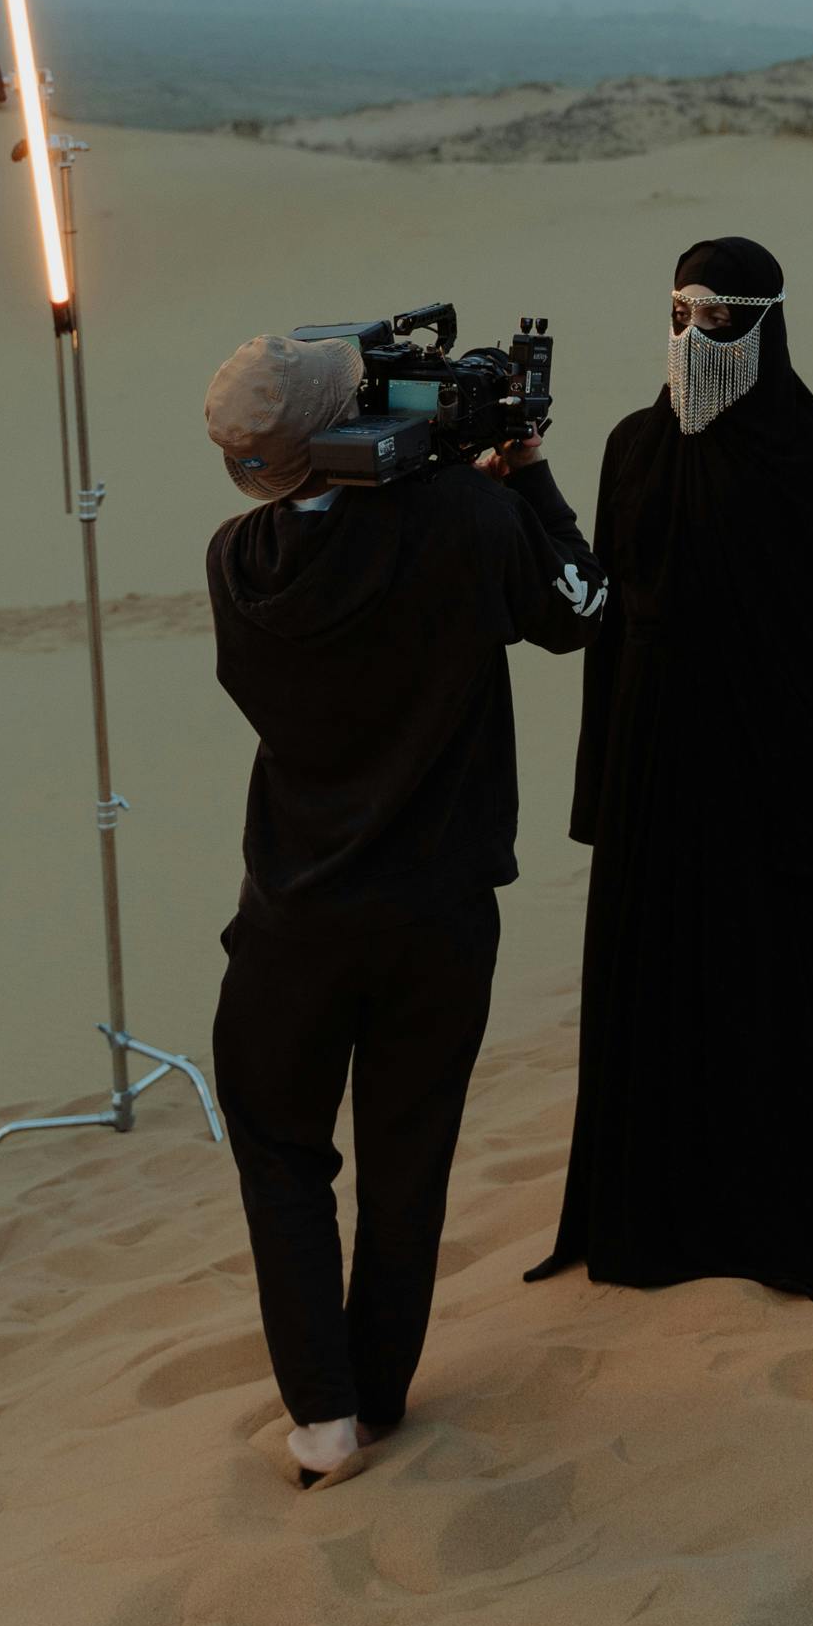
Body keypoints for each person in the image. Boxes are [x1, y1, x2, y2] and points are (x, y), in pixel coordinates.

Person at [199, 331, 609, 1489]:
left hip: (293, 917)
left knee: (279, 1151)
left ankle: (321, 1413)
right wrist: (522, 474)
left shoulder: (237, 563)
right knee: (406, 1158)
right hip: (436, 911)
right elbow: (581, 607)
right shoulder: (465, 525)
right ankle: (374, 1394)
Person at [523, 238, 813, 1308]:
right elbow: (600, 617)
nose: (696, 337)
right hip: (650, 765)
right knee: (650, 982)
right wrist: (600, 787)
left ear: (765, 326)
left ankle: (770, 1218)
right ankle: (645, 1218)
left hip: (757, 773)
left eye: (721, 319)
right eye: (680, 311)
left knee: (756, 991)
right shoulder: (631, 445)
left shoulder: (803, 451)